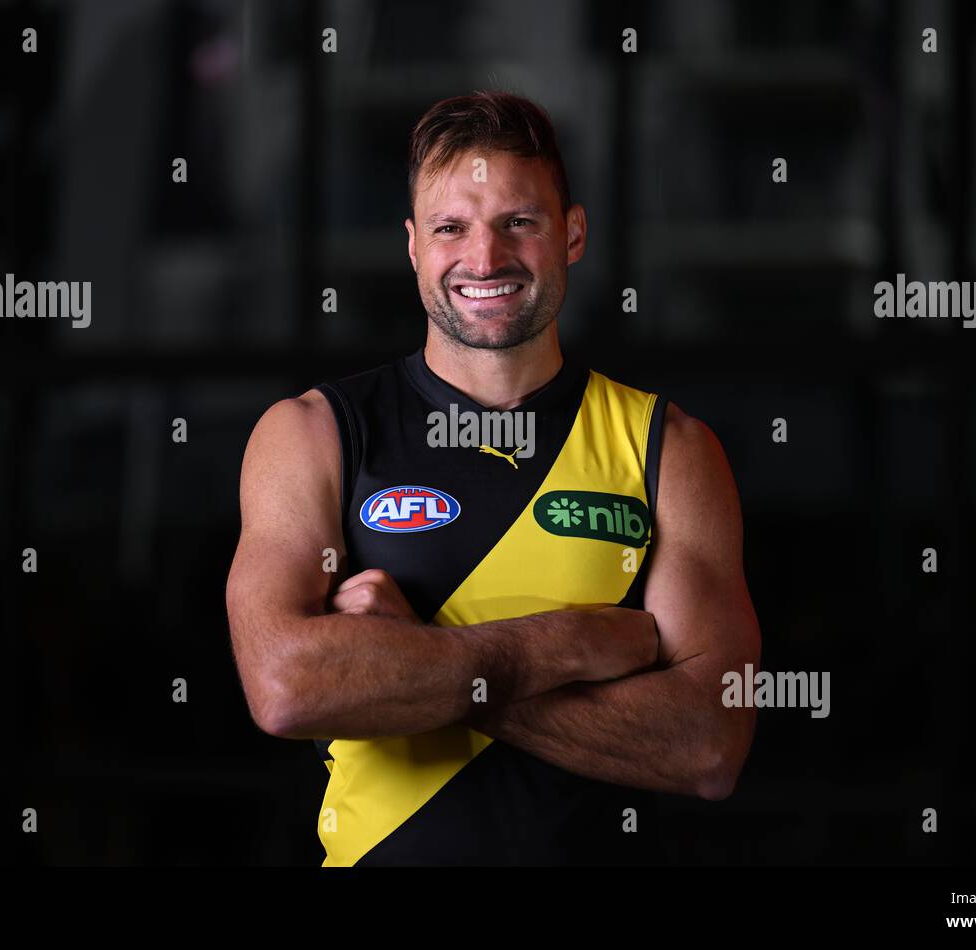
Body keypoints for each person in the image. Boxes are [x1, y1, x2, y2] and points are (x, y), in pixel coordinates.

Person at [226, 90, 761, 866]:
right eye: (451, 228)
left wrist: (406, 659)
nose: (484, 259)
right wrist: (569, 645)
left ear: (572, 233)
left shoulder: (669, 450)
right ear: (413, 245)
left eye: (519, 222)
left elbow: (708, 743)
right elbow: (285, 688)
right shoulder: (312, 435)